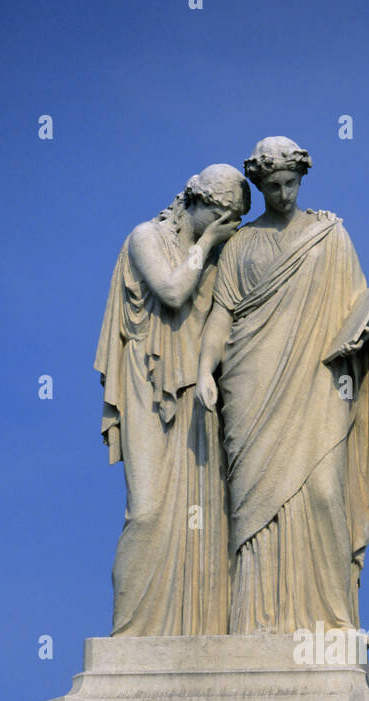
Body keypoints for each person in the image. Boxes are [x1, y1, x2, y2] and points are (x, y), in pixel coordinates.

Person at [196, 136, 369, 634]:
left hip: (320, 381)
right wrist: (205, 370)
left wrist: (368, 330)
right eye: (273, 186)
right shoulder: (242, 243)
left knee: (325, 492)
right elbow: (221, 315)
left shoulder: (330, 236)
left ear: (303, 180)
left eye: (291, 183)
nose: (284, 194)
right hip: (251, 384)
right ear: (260, 186)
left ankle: (329, 620)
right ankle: (255, 623)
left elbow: (361, 305)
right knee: (253, 506)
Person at [96, 165, 250, 635]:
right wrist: (204, 246)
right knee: (146, 512)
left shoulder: (224, 256)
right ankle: (131, 634)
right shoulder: (146, 237)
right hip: (148, 383)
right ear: (197, 202)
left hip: (199, 393)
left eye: (236, 220)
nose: (229, 228)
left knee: (205, 519)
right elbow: (172, 290)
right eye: (223, 216)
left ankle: (196, 630)